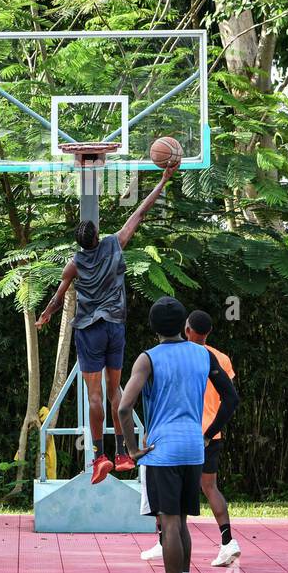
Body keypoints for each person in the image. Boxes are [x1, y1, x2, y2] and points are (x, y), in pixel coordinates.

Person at [36, 163, 178, 484]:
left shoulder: (74, 264)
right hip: (115, 326)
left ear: (79, 243)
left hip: (89, 330)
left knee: (95, 396)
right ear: (97, 236)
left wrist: (46, 315)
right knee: (116, 393)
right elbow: (140, 213)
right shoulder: (114, 244)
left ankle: (99, 455)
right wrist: (163, 180)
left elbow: (59, 298)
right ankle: (123, 454)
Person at [118, 296, 240, 573]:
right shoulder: (203, 354)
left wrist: (131, 450)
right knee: (182, 523)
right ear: (183, 324)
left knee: (169, 523)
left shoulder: (147, 359)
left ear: (153, 326)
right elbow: (231, 398)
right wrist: (209, 432)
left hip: (163, 451)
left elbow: (123, 408)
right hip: (193, 448)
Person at [140, 308, 240, 566]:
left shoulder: (174, 355)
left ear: (186, 329)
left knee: (166, 496)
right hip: (208, 434)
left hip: (178, 434)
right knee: (210, 487)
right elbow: (229, 396)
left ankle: (165, 542)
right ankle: (228, 540)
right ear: (209, 332)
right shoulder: (219, 358)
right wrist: (211, 430)